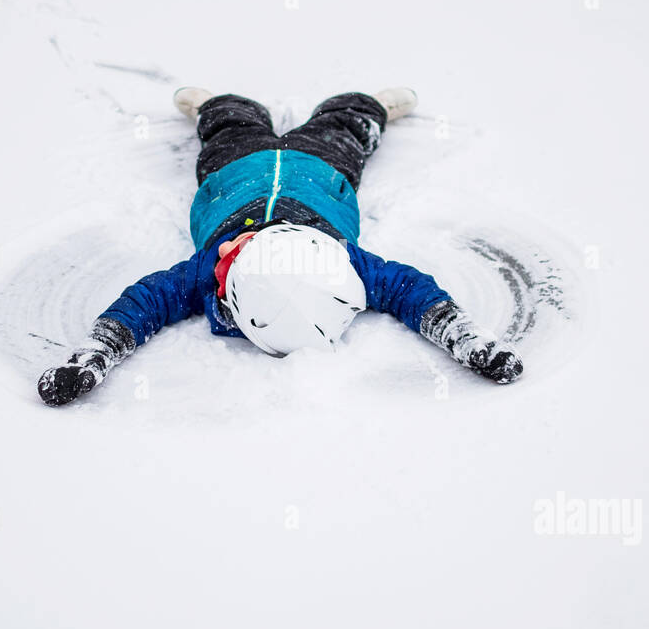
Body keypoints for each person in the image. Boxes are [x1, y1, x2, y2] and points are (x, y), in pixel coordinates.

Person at [38, 88, 524, 405]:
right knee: (343, 125)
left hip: (233, 170)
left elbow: (151, 298)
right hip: (320, 167)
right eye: (245, 246)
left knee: (231, 122)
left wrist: (96, 352)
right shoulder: (348, 265)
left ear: (231, 292)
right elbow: (408, 290)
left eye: (238, 255)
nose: (238, 244)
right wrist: (466, 336)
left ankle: (216, 107)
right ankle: (369, 106)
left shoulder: (212, 269)